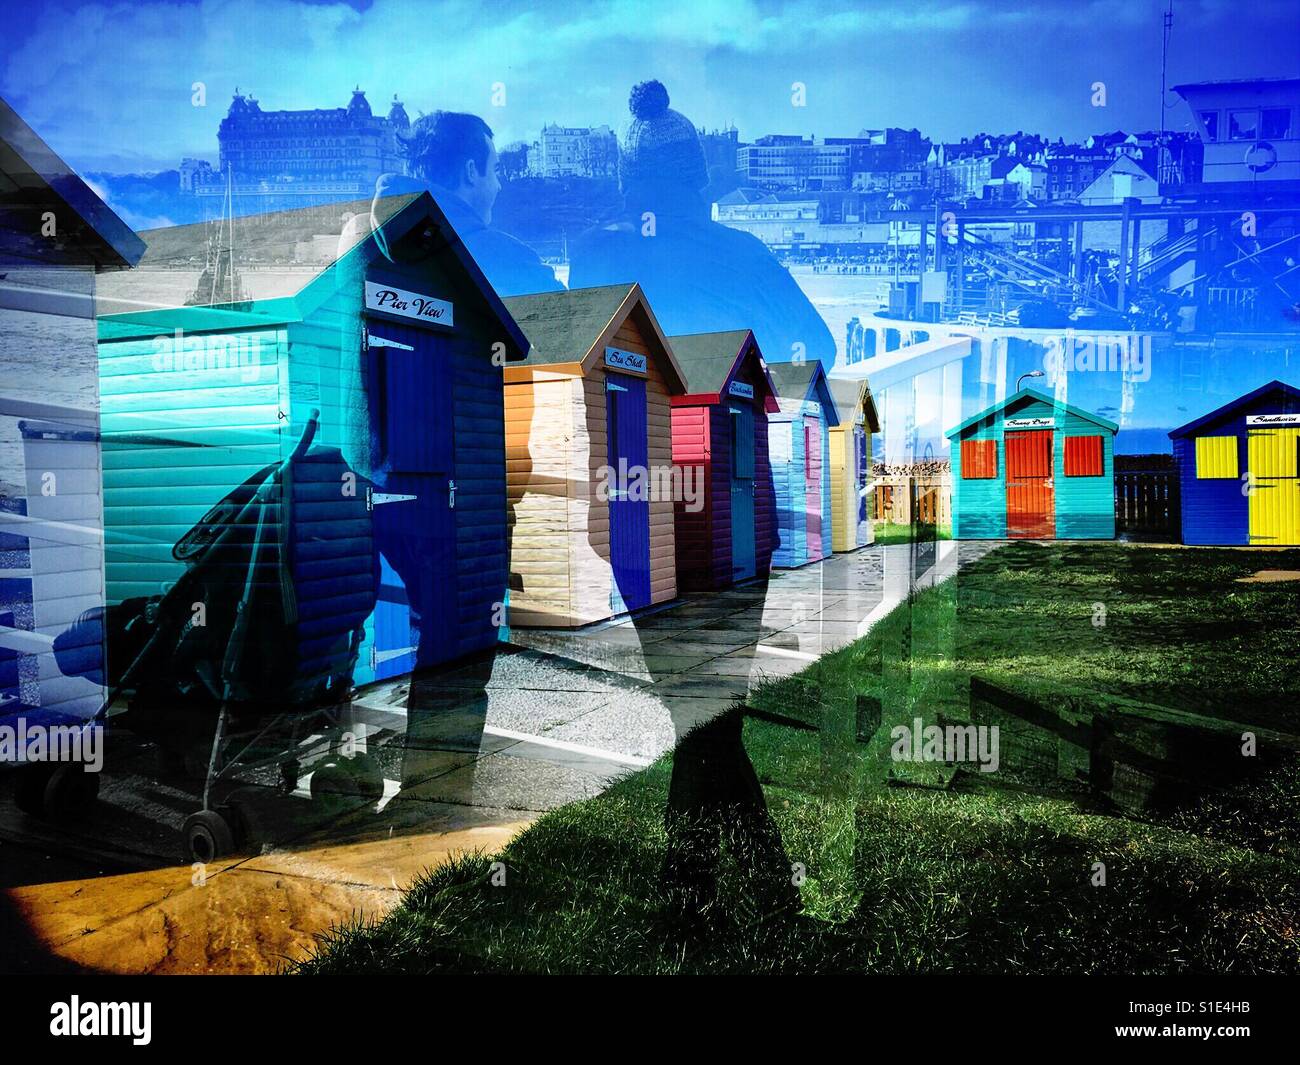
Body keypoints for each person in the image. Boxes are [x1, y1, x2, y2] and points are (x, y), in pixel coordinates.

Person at [569, 81, 834, 366]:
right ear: (698, 175)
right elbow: (817, 349)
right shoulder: (742, 252)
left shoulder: (591, 252)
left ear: (626, 177)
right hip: (719, 392)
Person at [376, 111, 562, 298]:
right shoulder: (507, 260)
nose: (498, 185)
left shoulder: (366, 254)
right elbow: (566, 312)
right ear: (471, 171)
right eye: (494, 170)